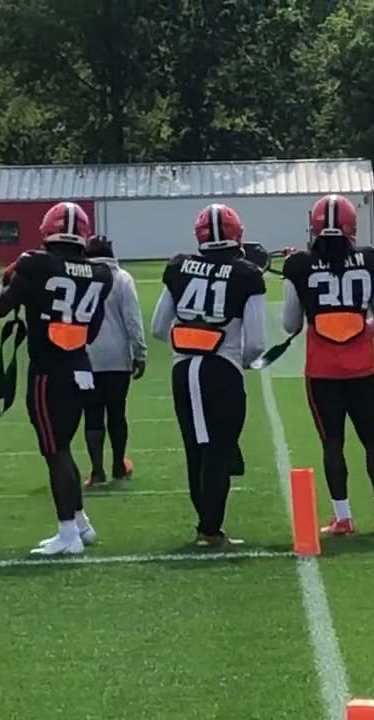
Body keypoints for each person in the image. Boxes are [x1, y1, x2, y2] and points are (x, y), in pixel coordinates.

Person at [0, 202, 114, 555]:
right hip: (81, 367)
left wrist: (5, 283)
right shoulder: (101, 273)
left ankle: (67, 534)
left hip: (49, 371)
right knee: (63, 447)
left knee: (54, 450)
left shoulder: (36, 262)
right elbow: (91, 330)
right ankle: (79, 523)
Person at [282, 194, 374, 536]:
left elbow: (290, 324)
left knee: (332, 443)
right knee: (372, 441)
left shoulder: (299, 265)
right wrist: (356, 332)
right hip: (362, 368)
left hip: (321, 371)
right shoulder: (370, 260)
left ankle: (343, 517)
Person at [152, 204, 267, 547]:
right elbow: (257, 341)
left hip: (183, 368)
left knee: (197, 450)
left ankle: (206, 525)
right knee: (218, 450)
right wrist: (241, 360)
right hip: (221, 369)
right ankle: (210, 529)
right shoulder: (246, 274)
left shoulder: (179, 266)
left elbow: (159, 328)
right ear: (238, 235)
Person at [82, 235, 147, 488]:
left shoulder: (82, 277)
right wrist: (139, 352)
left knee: (93, 414)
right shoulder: (122, 278)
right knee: (117, 413)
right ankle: (119, 464)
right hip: (117, 356)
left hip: (86, 354)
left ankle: (97, 471)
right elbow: (132, 318)